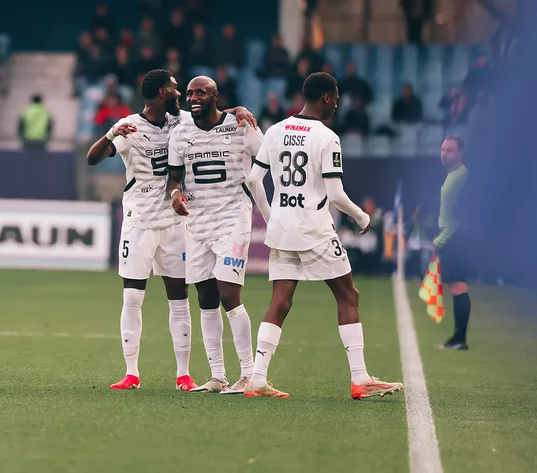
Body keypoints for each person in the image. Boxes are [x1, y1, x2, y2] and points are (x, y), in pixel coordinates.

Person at [86, 69, 258, 391]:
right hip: (138, 222)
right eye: (177, 89)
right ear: (163, 91)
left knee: (179, 299)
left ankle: (183, 374)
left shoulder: (182, 123)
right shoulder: (129, 127)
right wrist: (110, 135)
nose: (182, 94)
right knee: (133, 297)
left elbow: (214, 116)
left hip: (176, 223)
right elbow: (92, 159)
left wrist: (237, 111)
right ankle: (131, 372)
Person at [243, 72, 403, 399]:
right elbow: (336, 194)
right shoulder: (326, 136)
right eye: (336, 98)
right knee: (348, 296)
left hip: (281, 230)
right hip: (314, 230)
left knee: (280, 301)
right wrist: (361, 215)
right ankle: (360, 378)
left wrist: (271, 217)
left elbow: (252, 180)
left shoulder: (275, 130)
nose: (337, 104)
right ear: (327, 98)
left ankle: (257, 379)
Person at [166, 76, 272, 394]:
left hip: (233, 219)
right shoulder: (180, 134)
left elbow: (268, 154)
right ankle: (217, 376)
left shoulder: (240, 125)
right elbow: (174, 177)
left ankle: (249, 373)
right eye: (189, 93)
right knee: (206, 299)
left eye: (201, 92)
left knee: (228, 292)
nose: (193, 97)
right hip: (197, 224)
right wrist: (175, 195)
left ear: (215, 96)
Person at [434, 135, 472, 350]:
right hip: (451, 236)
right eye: (443, 149)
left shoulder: (462, 177)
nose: (444, 153)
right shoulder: (452, 176)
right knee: (455, 285)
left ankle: (460, 339)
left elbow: (458, 215)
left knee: (458, 285)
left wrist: (441, 239)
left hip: (455, 238)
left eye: (449, 150)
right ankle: (458, 337)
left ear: (460, 153)